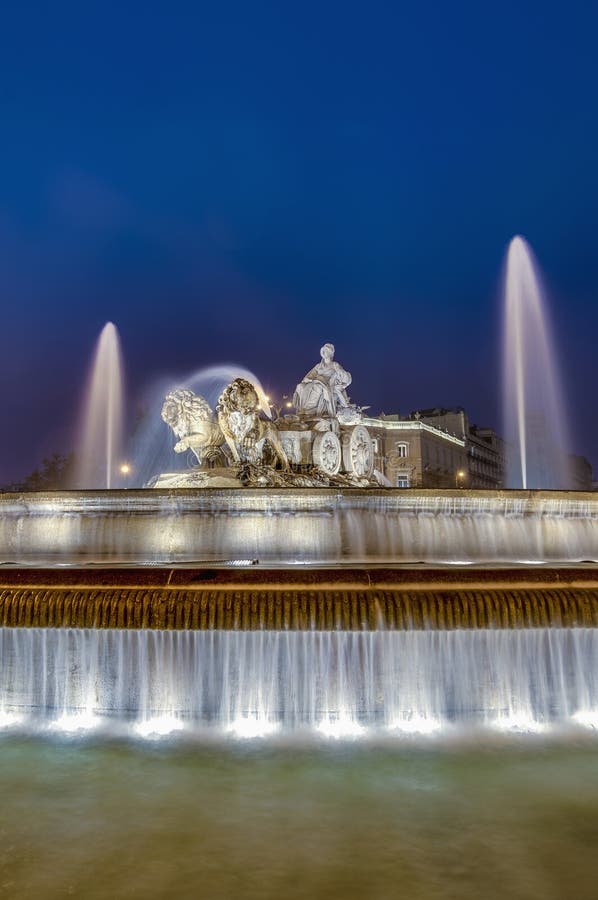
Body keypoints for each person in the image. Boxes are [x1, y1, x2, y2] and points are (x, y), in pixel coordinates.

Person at [293, 343, 352, 417]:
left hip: (327, 384)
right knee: (300, 386)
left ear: (330, 353)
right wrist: (307, 379)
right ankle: (302, 409)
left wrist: (339, 371)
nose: (324, 352)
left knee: (317, 387)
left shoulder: (335, 365)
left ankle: (309, 409)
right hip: (315, 381)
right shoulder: (318, 366)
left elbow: (345, 378)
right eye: (323, 351)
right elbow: (310, 375)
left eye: (326, 350)